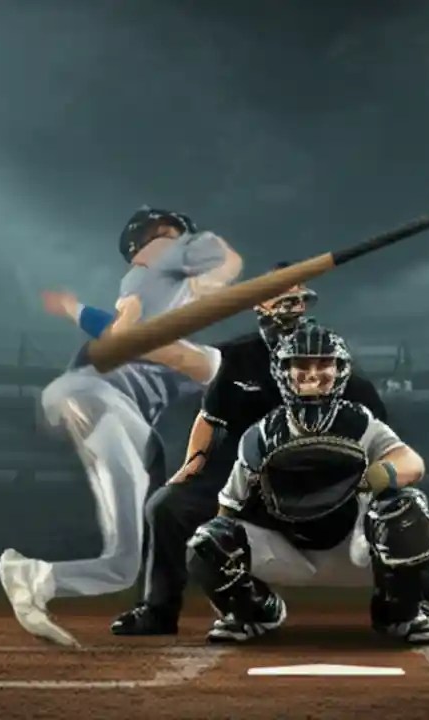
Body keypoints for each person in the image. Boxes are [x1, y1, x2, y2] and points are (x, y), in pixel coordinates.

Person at [0, 206, 242, 647]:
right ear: (140, 253)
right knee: (150, 451)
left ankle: (35, 578)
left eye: (174, 235)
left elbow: (202, 369)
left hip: (110, 412)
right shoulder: (153, 272)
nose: (171, 242)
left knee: (123, 564)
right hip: (95, 393)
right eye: (160, 236)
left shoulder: (182, 337)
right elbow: (222, 257)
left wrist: (75, 309)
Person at [109, 264, 389, 636]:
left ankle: (402, 604)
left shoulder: (324, 354)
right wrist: (193, 464)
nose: (293, 304)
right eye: (281, 292)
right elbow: (209, 417)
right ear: (259, 303)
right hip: (239, 472)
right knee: (166, 507)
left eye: (297, 294)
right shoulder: (237, 358)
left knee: (397, 511)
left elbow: (372, 422)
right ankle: (161, 610)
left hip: (308, 474)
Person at [184, 323, 429, 644]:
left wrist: (376, 476)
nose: (313, 373)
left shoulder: (359, 422)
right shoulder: (261, 435)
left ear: (339, 370)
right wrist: (220, 560)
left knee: (405, 509)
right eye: (302, 364)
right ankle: (253, 611)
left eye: (323, 363)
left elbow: (412, 463)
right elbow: (228, 509)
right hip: (288, 552)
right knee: (207, 540)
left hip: (357, 548)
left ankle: (401, 611)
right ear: (283, 371)